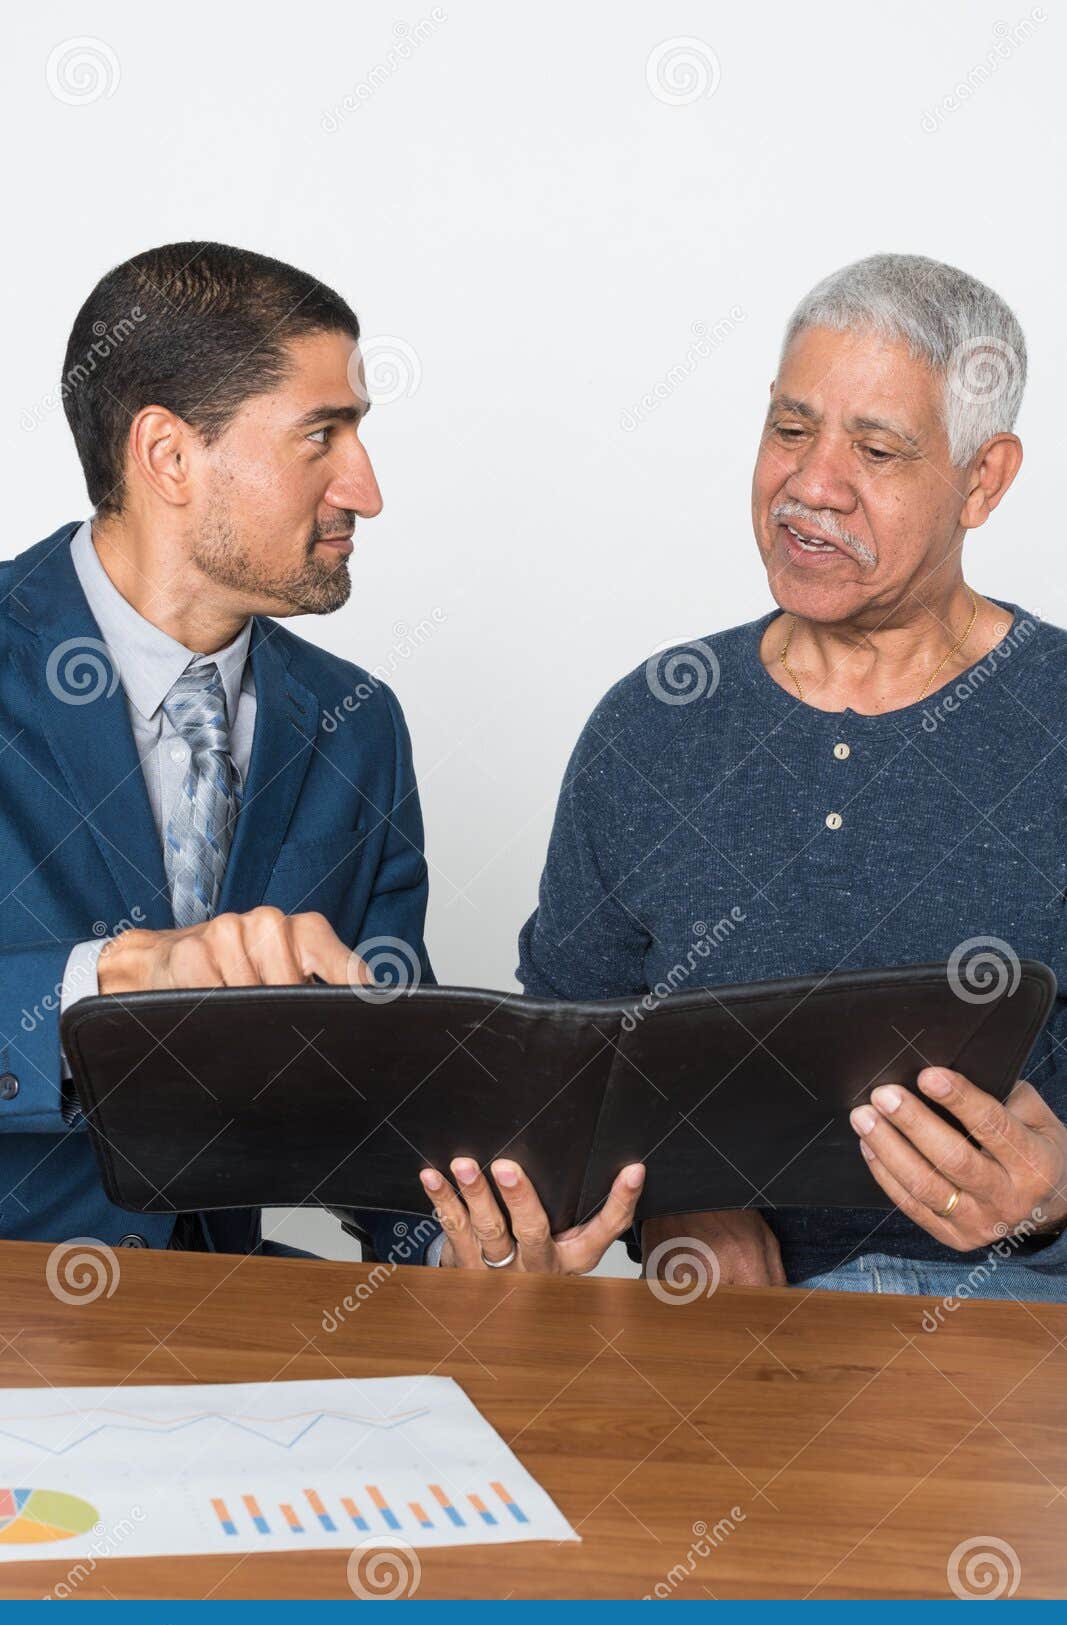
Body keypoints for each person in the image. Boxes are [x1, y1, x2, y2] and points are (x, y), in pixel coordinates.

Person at [437, 252, 1067, 1297]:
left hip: (1017, 1325)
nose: (810, 485)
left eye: (874, 448)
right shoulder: (652, 722)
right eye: (787, 428)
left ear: (982, 480)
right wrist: (680, 1202)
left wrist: (1053, 1185)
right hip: (715, 1335)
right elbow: (559, 1060)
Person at [0, 240, 433, 1259]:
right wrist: (112, 979)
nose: (364, 490)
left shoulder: (357, 724)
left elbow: (381, 1101)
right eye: (320, 436)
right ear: (167, 456)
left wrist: (468, 1240)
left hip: (225, 1328)